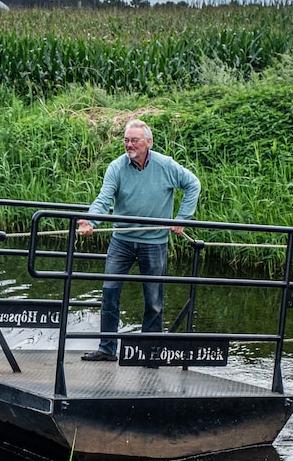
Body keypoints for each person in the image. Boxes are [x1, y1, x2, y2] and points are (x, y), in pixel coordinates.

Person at [76, 119, 200, 362]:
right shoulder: (117, 167)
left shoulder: (166, 165)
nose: (129, 145)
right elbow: (103, 199)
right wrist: (90, 221)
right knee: (109, 293)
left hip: (154, 242)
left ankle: (149, 351)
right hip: (121, 239)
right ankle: (107, 348)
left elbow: (193, 184)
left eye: (134, 140)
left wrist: (182, 218)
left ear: (148, 142)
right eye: (126, 140)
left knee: (153, 299)